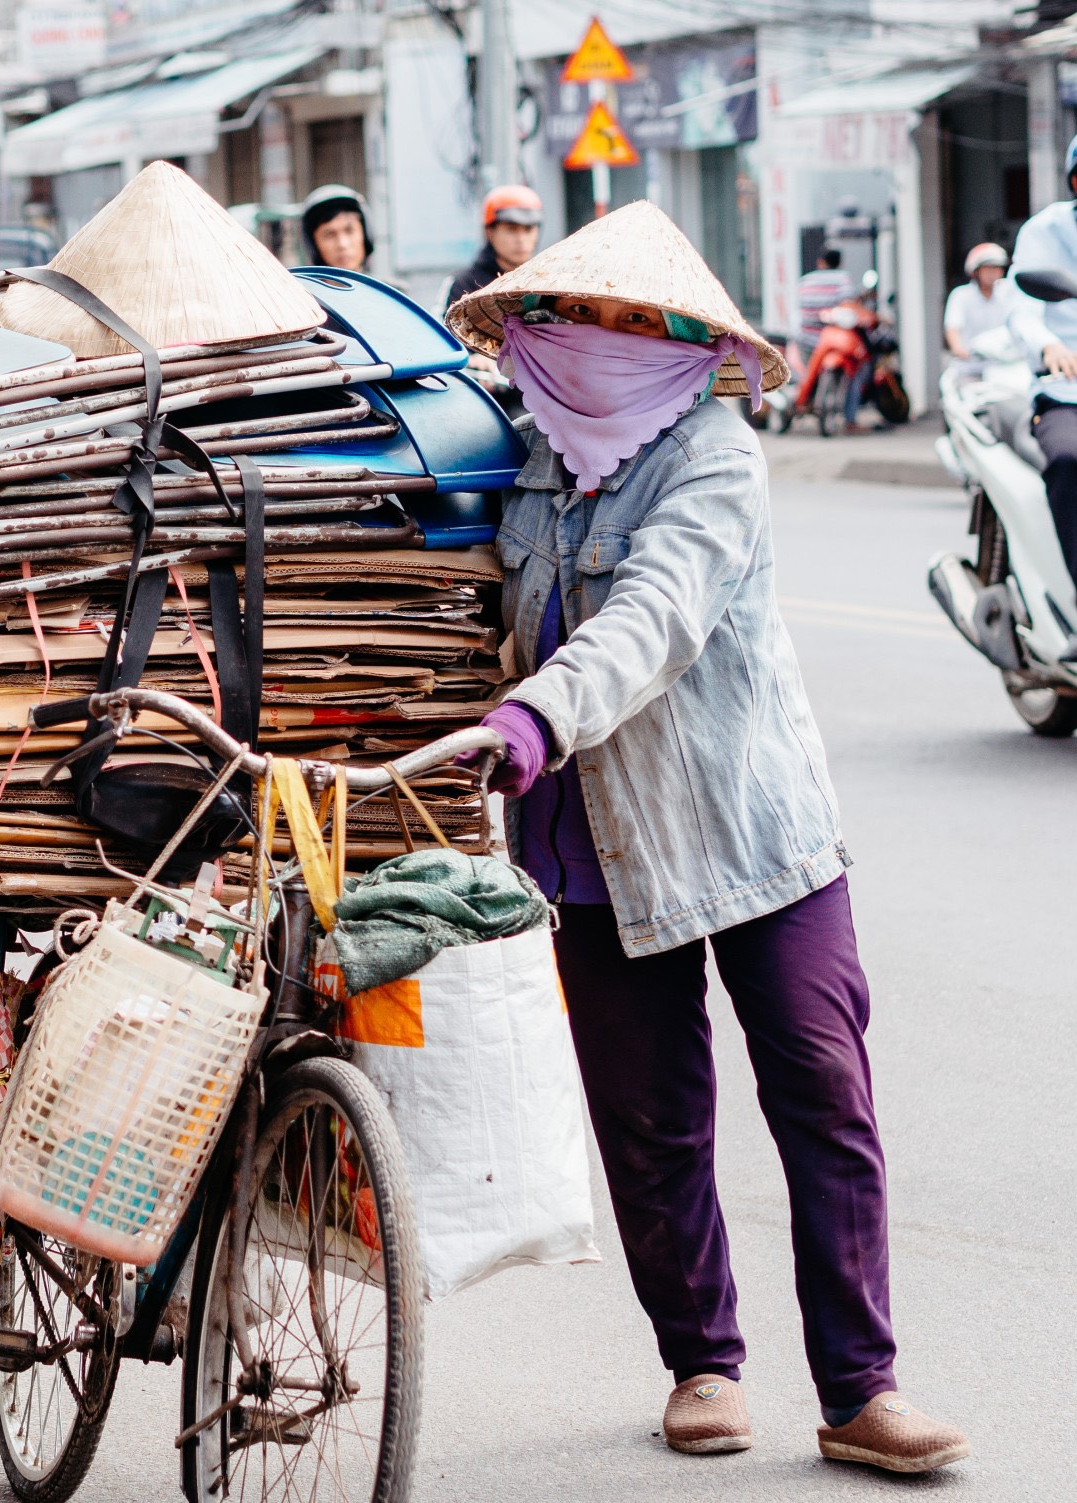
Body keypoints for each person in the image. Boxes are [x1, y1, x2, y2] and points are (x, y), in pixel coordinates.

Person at [445, 199, 970, 1476]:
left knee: (820, 1093)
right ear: (542, 322)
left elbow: (655, 617)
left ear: (689, 341)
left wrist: (532, 710)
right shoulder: (502, 458)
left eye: (650, 322)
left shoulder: (712, 455)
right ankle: (700, 1365)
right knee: (650, 1118)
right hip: (585, 848)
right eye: (594, 314)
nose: (619, 338)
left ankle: (860, 1389)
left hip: (752, 831)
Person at [1009, 131, 1077, 627]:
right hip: (1064, 390)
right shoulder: (1046, 231)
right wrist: (1049, 345)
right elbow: (1024, 307)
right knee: (1071, 460)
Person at [445, 184, 542, 309]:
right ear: (489, 232)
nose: (521, 239)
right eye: (511, 229)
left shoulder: (549, 282)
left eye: (528, 230)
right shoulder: (464, 284)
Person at [943, 244, 1015, 368]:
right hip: (970, 365)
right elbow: (952, 327)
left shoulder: (1008, 292)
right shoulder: (961, 295)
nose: (992, 273)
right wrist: (958, 349)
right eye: (987, 268)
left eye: (996, 268)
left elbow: (1019, 320)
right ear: (976, 271)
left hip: (1003, 365)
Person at [796, 246, 854, 368]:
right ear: (840, 262)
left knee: (810, 377)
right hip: (833, 342)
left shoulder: (805, 280)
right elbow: (848, 306)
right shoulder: (842, 279)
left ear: (820, 262)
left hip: (807, 339)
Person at [299, 184, 371, 272]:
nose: (342, 244)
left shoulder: (386, 286)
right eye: (330, 235)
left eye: (350, 231)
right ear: (314, 244)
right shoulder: (297, 286)